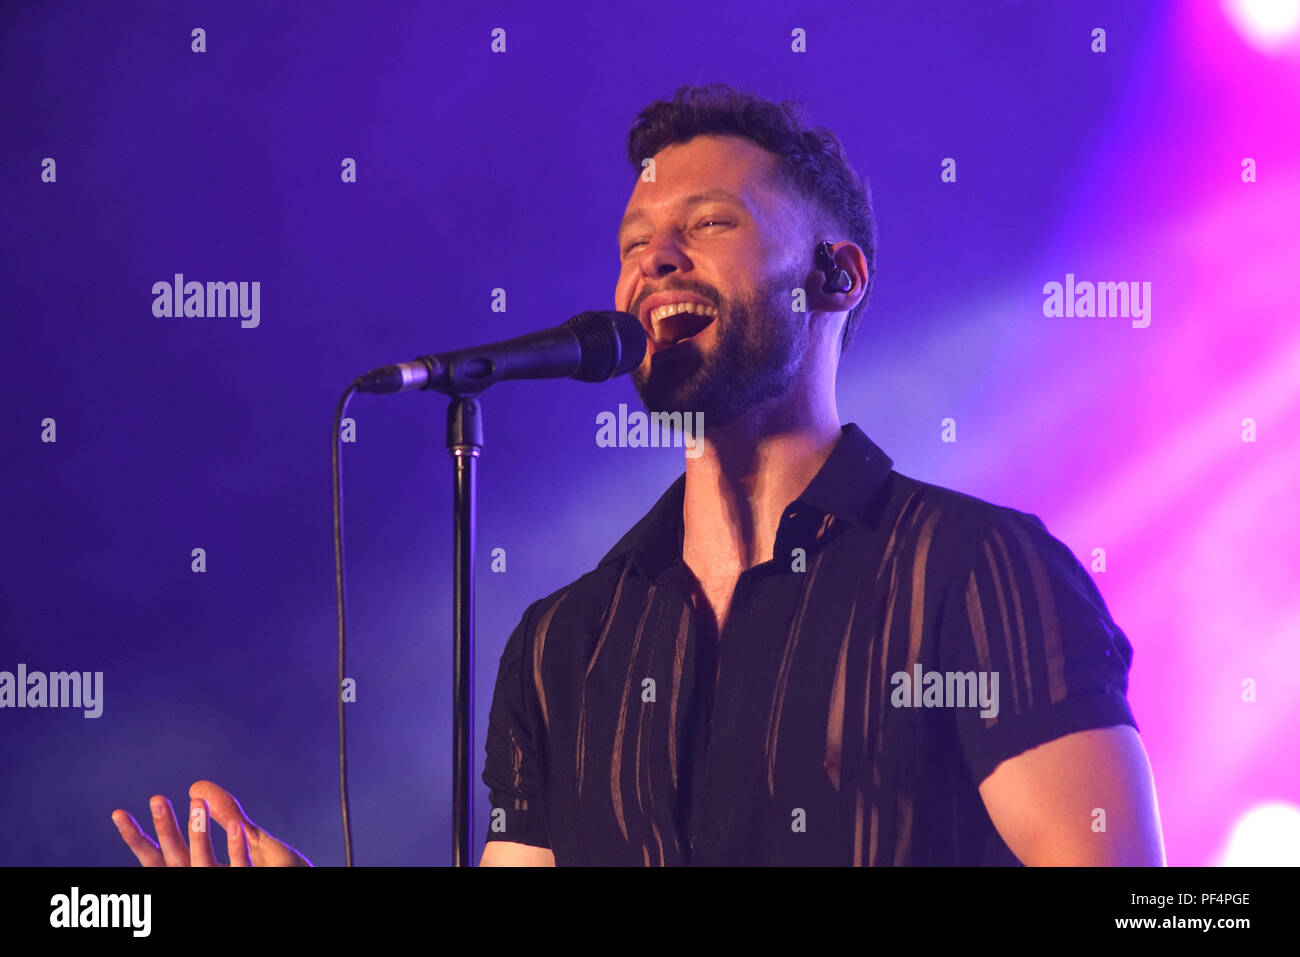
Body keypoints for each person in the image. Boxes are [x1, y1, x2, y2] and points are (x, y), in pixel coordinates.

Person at [113, 84, 1164, 868]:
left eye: (707, 225)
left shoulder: (977, 573)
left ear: (835, 276)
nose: (653, 261)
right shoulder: (566, 643)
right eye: (633, 243)